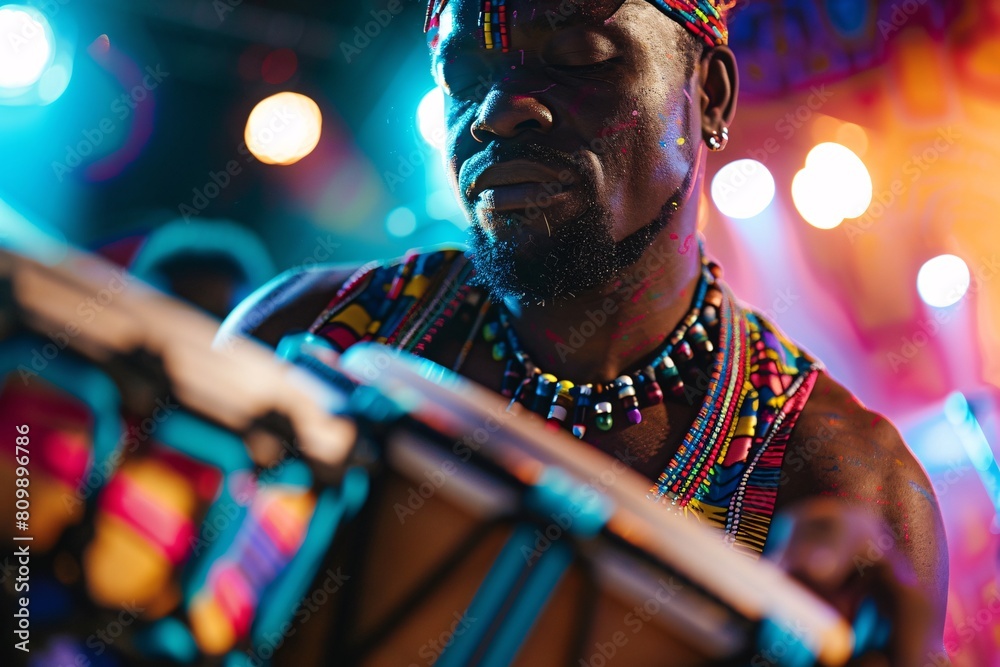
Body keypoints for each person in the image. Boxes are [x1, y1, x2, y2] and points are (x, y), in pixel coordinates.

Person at [218, 0, 948, 663]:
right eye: (465, 71)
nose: (498, 111)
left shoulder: (844, 485)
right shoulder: (307, 342)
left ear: (713, 95)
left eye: (581, 57)